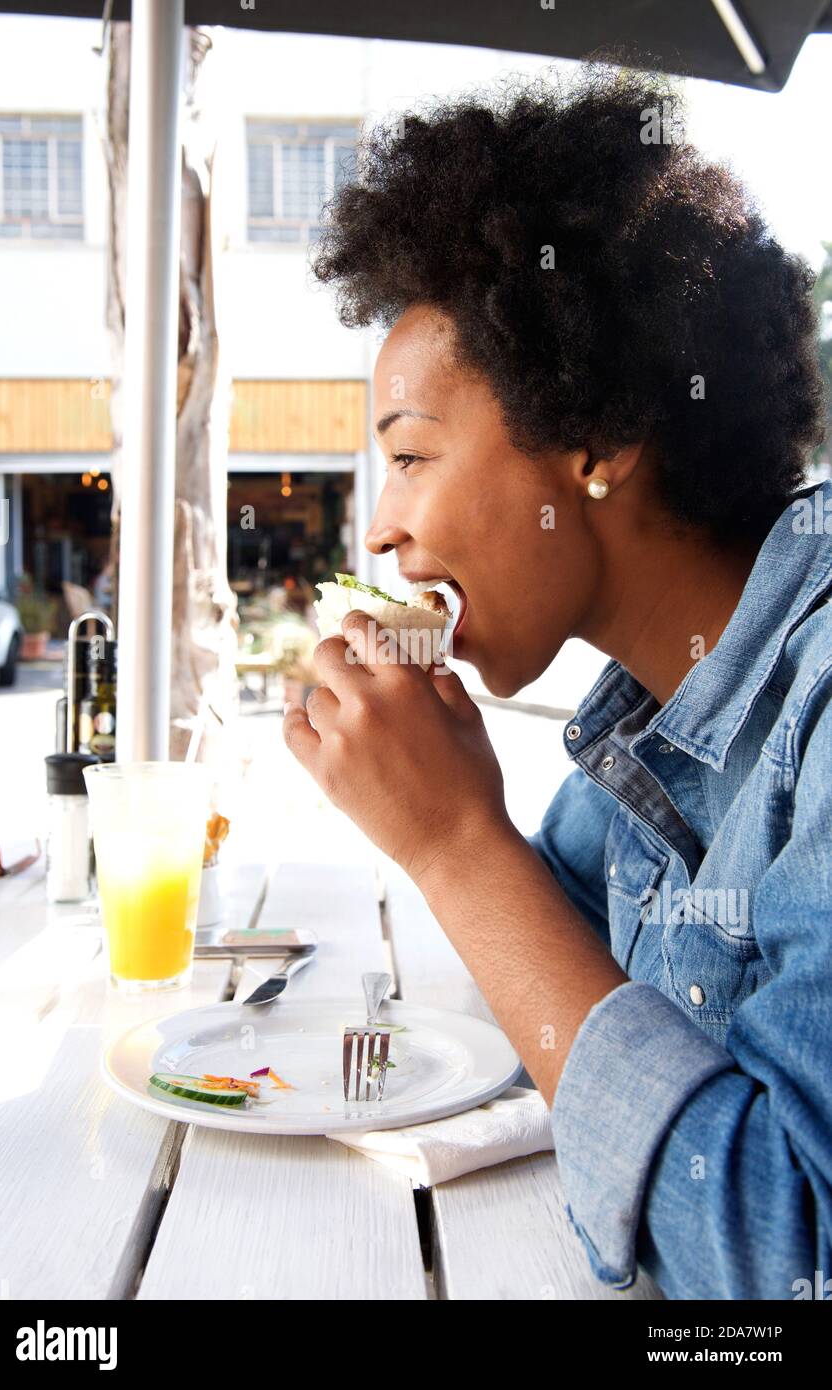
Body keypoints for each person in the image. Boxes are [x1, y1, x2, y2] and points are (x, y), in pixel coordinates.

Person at [282, 65, 831, 1300]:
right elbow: (553, 981)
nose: (379, 532)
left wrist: (453, 846)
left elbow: (792, 1263)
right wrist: (431, 793)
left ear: (595, 440)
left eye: (412, 455)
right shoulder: (651, 717)